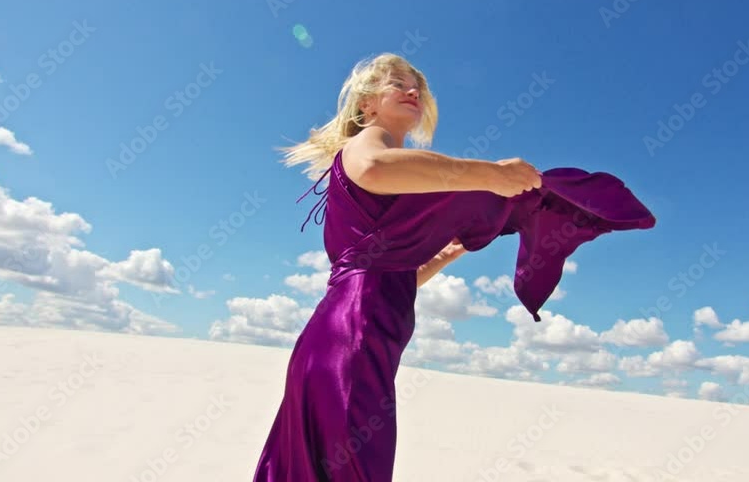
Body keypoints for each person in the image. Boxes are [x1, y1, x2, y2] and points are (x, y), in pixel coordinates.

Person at [254, 53, 655, 481]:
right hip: (352, 341)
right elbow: (372, 168)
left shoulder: (393, 175)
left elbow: (394, 275)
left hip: (342, 340)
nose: (413, 91)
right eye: (398, 83)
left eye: (418, 88)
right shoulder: (369, 144)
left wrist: (451, 253)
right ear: (367, 104)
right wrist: (490, 174)